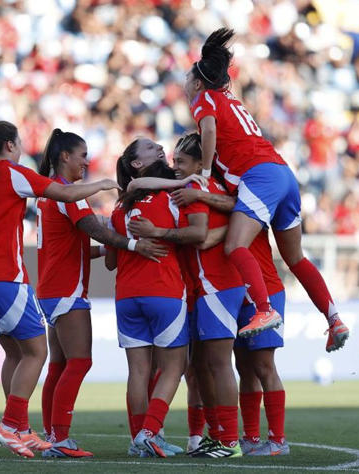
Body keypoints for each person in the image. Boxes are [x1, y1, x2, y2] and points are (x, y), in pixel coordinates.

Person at [184, 28, 348, 353]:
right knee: (295, 257)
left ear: (199, 82)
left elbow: (209, 130)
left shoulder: (204, 100)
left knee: (234, 245)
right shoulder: (230, 98)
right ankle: (334, 319)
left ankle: (263, 308)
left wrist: (203, 174)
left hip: (259, 176)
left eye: (188, 78)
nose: (185, 84)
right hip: (283, 172)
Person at [0, 120, 119, 458]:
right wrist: (103, 184)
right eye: (18, 143)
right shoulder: (11, 173)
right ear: (9, 146)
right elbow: (63, 191)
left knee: (16, 354)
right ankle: (10, 423)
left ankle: (20, 428)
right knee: (37, 353)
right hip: (5, 278)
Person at [34, 129, 167, 458]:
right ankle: (61, 440)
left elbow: (74, 246)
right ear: (65, 157)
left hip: (51, 288)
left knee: (60, 365)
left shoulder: (48, 194)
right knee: (79, 362)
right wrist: (134, 244)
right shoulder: (70, 194)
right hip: (67, 290)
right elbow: (96, 231)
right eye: (82, 155)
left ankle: (53, 435)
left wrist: (115, 246)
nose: (86, 161)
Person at [128, 133, 245, 458]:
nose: (174, 167)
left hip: (215, 286)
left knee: (218, 364)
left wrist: (158, 233)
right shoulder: (193, 190)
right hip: (200, 289)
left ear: (199, 163)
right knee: (200, 367)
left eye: (180, 161)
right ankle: (214, 434)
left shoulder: (197, 190)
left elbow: (201, 237)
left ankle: (230, 441)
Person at [170, 174, 290, 457]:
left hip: (264, 288)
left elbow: (216, 230)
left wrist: (200, 205)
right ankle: (249, 438)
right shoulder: (219, 196)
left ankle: (277, 440)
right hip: (236, 289)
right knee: (243, 368)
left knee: (263, 366)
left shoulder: (251, 200)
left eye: (182, 163)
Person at [106, 137, 192, 458]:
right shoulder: (173, 194)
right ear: (136, 164)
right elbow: (190, 236)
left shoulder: (120, 206)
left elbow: (111, 261)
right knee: (174, 367)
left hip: (127, 295)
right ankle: (149, 432)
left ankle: (137, 440)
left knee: (138, 372)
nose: (159, 148)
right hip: (164, 289)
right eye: (151, 148)